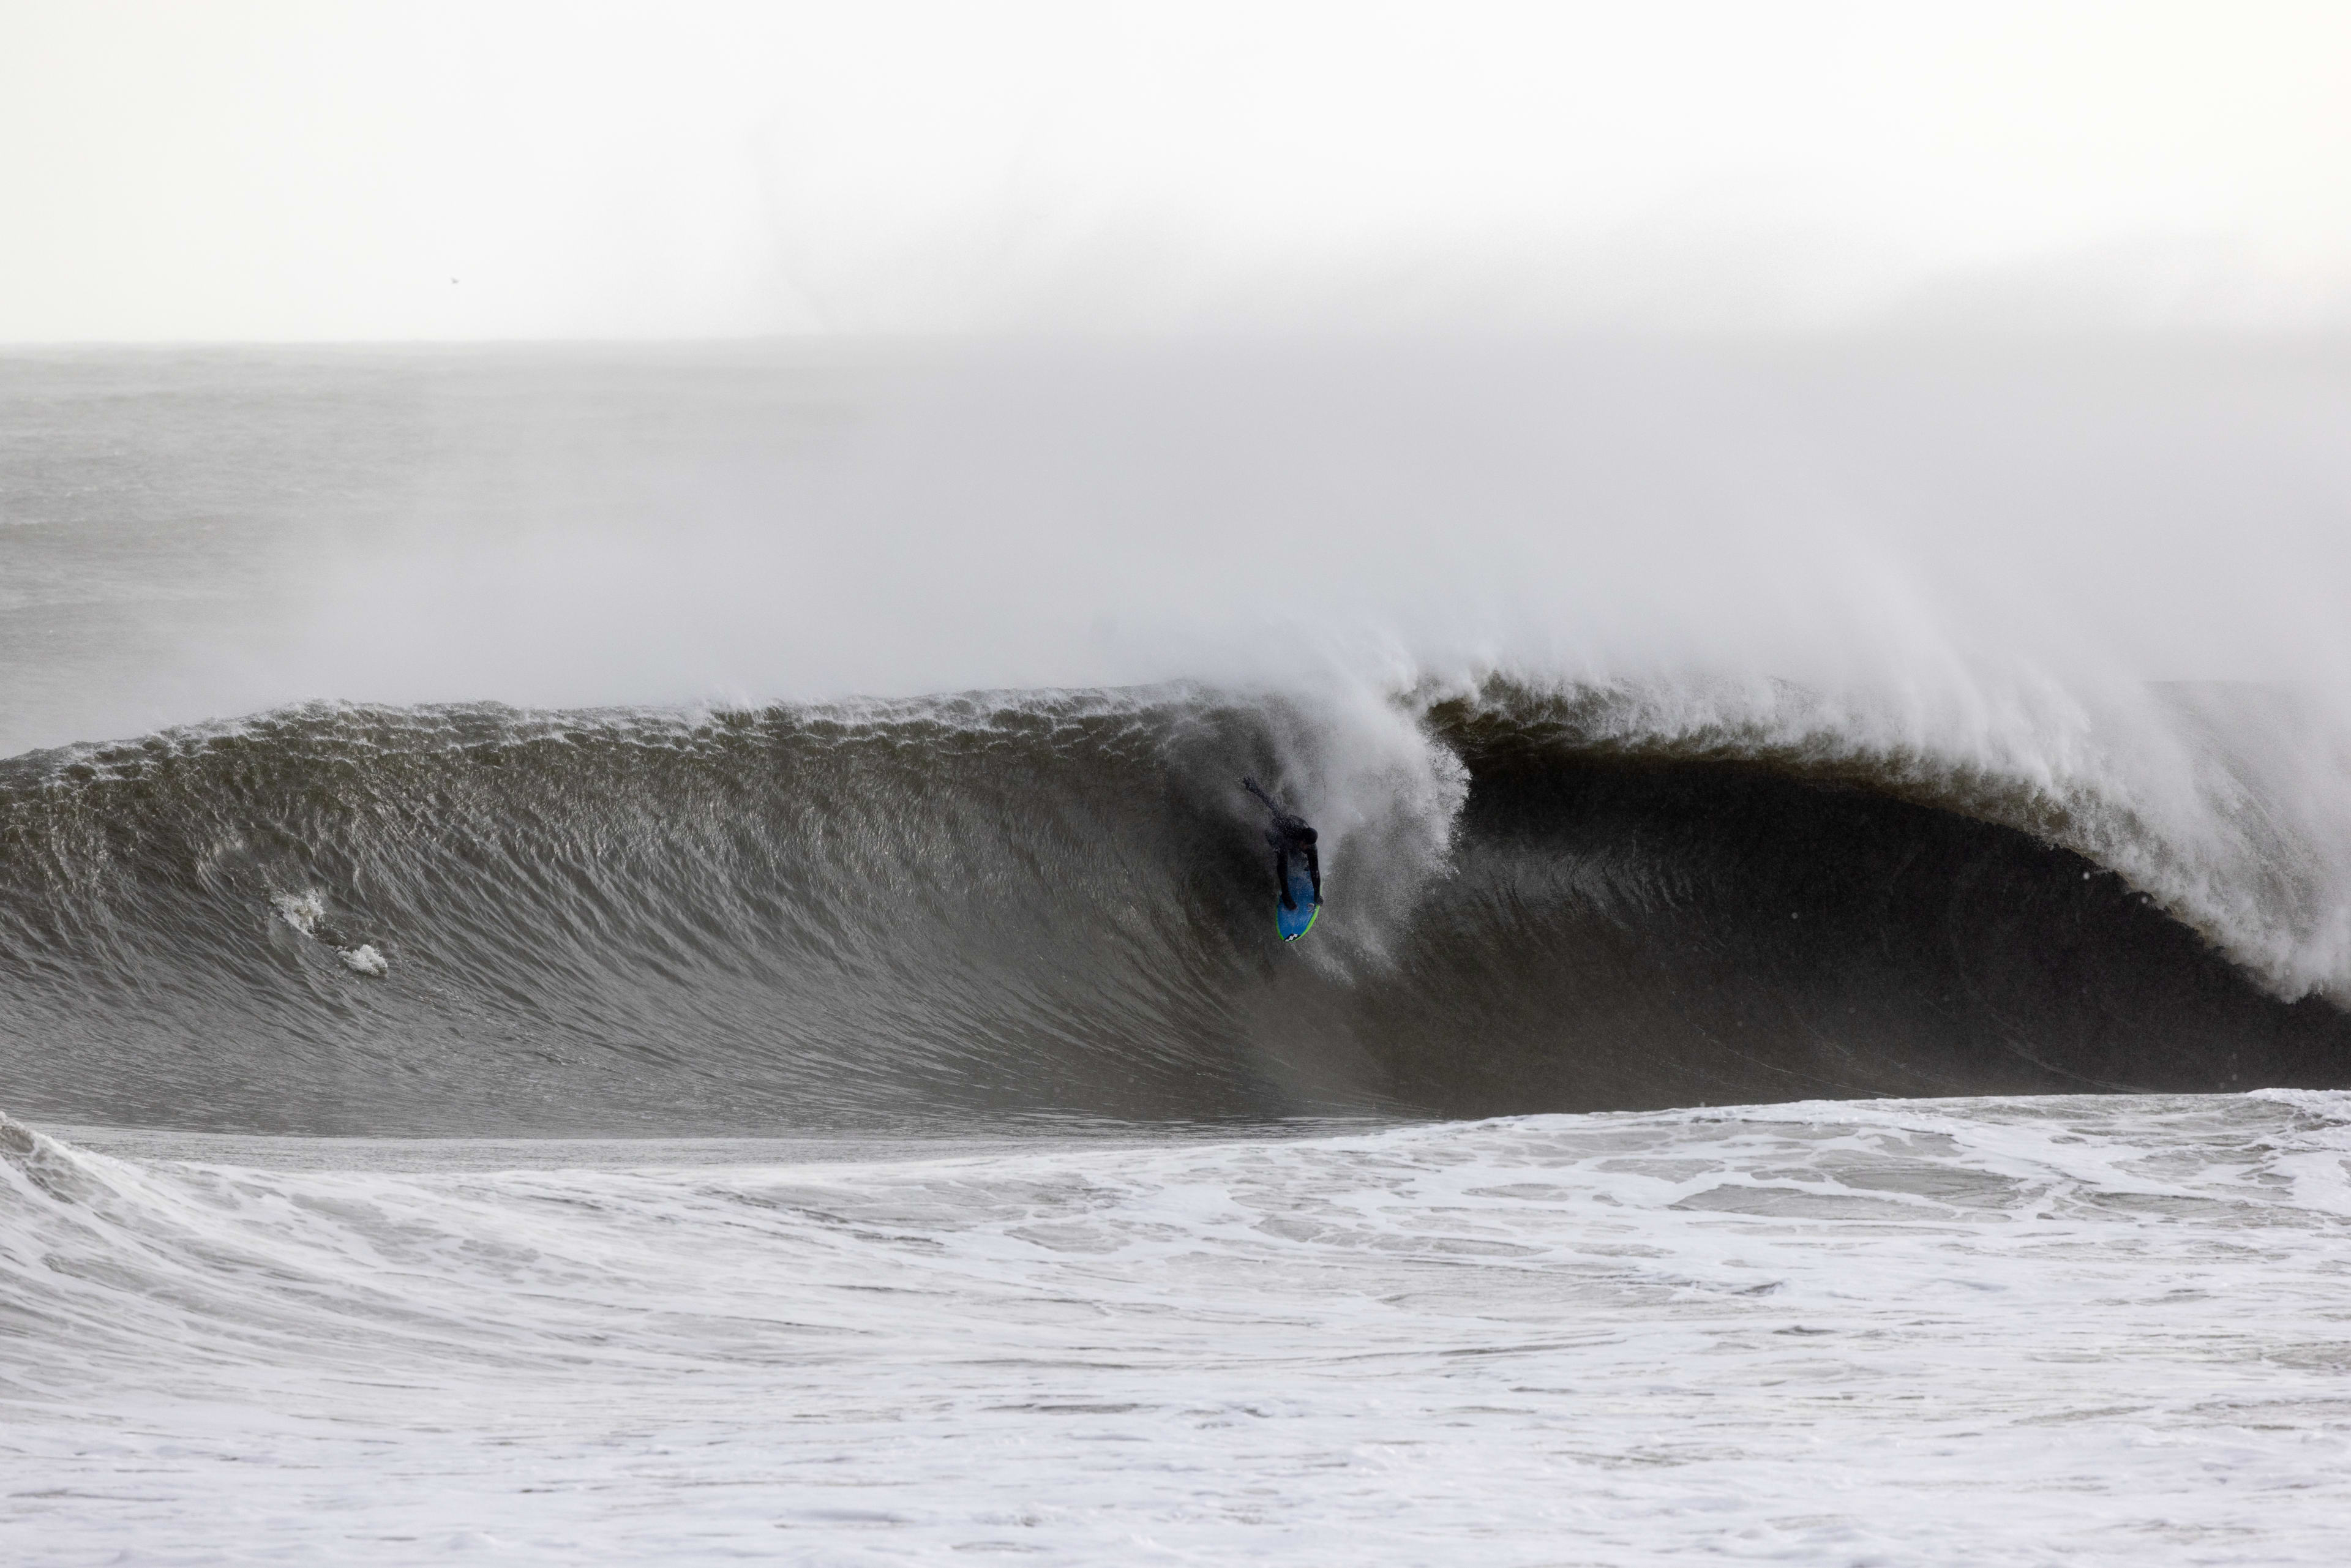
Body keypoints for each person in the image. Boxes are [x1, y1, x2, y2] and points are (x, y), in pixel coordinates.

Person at [1242, 777, 1321, 912]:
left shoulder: (1310, 846)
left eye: (1309, 846)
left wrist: (1317, 894)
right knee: (1283, 857)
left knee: (1306, 860)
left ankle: (1299, 858)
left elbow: (1316, 871)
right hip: (1275, 832)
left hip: (1295, 839)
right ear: (1302, 840)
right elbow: (1273, 806)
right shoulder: (1288, 826)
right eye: (1306, 845)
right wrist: (1255, 788)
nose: (1308, 848)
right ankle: (1285, 895)